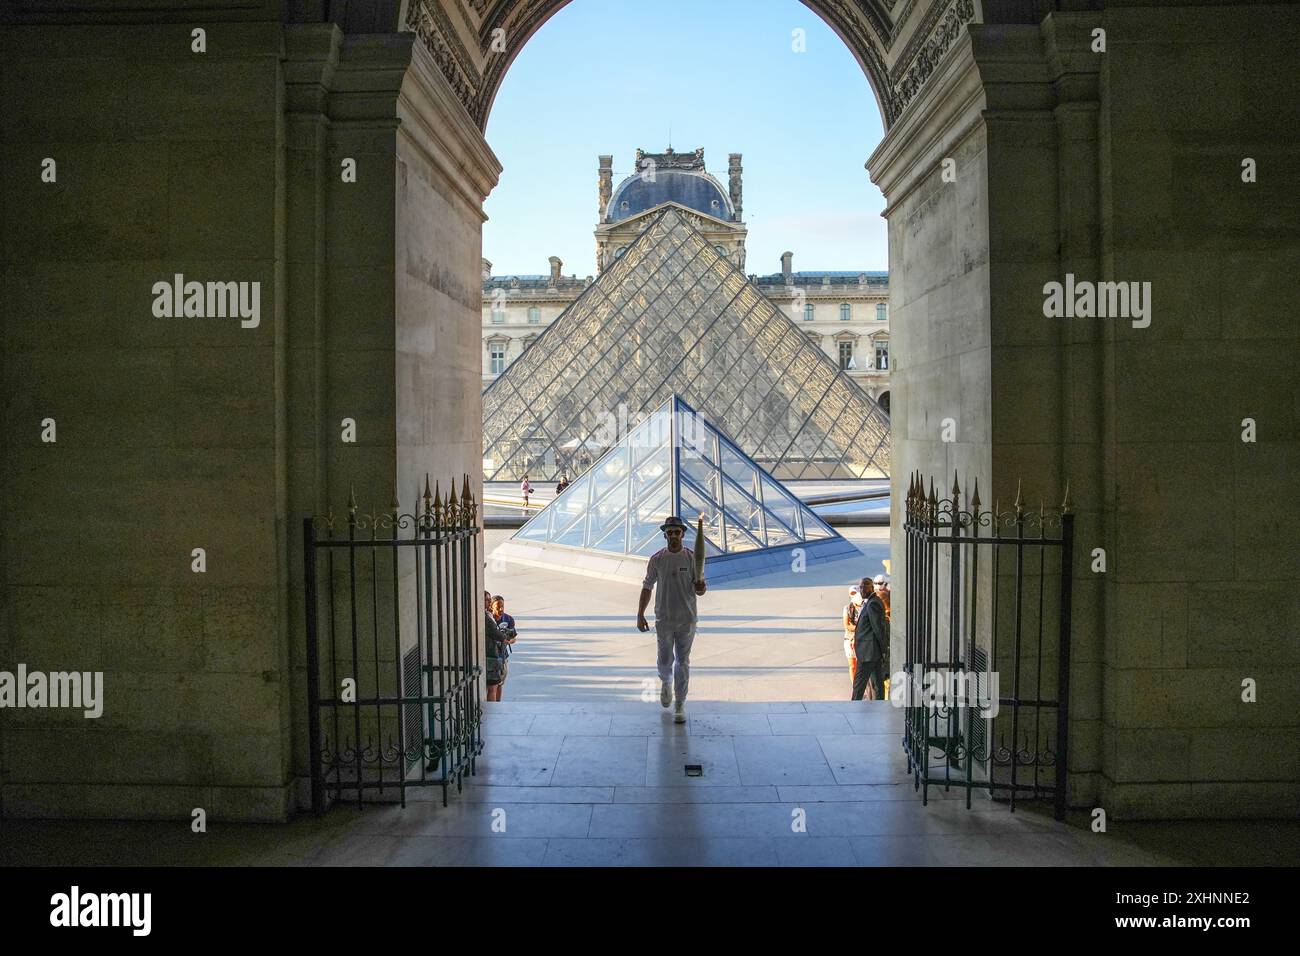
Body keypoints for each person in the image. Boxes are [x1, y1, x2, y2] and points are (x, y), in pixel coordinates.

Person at [636, 515, 707, 724]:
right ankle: (666, 682)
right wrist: (640, 615)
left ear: (683, 534)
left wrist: (701, 588)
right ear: (665, 534)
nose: (674, 535)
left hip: (687, 618)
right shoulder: (657, 559)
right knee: (665, 660)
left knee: (683, 662)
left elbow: (700, 588)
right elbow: (647, 586)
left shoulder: (693, 558)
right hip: (664, 618)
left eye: (677, 532)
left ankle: (680, 704)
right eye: (670, 532)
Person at [851, 575, 888, 701]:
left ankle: (853, 707)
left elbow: (878, 628)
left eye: (864, 587)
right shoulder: (871, 602)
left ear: (871, 588)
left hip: (868, 652)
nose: (862, 590)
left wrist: (883, 649)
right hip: (872, 652)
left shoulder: (873, 604)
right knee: (877, 683)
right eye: (860, 587)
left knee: (859, 684)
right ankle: (880, 706)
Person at [484, 590, 509, 701]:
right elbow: (498, 635)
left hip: (496, 655)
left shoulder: (488, 614)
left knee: (498, 684)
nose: (489, 602)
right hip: (491, 655)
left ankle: (497, 706)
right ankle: (494, 709)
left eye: (490, 599)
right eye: (487, 600)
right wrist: (505, 638)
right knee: (493, 687)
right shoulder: (485, 616)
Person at [842, 585, 863, 690]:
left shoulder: (864, 607)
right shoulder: (847, 608)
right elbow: (847, 625)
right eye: (852, 593)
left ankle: (861, 687)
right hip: (849, 639)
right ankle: (855, 687)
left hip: (861, 640)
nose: (855, 595)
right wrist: (860, 627)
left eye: (856, 593)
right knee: (853, 665)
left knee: (861, 666)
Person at [491, 595, 517, 664]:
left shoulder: (508, 619)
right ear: (491, 607)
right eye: (498, 607)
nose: (501, 609)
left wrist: (509, 641)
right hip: (490, 655)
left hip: (503, 654)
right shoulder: (488, 619)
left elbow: (513, 637)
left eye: (502, 606)